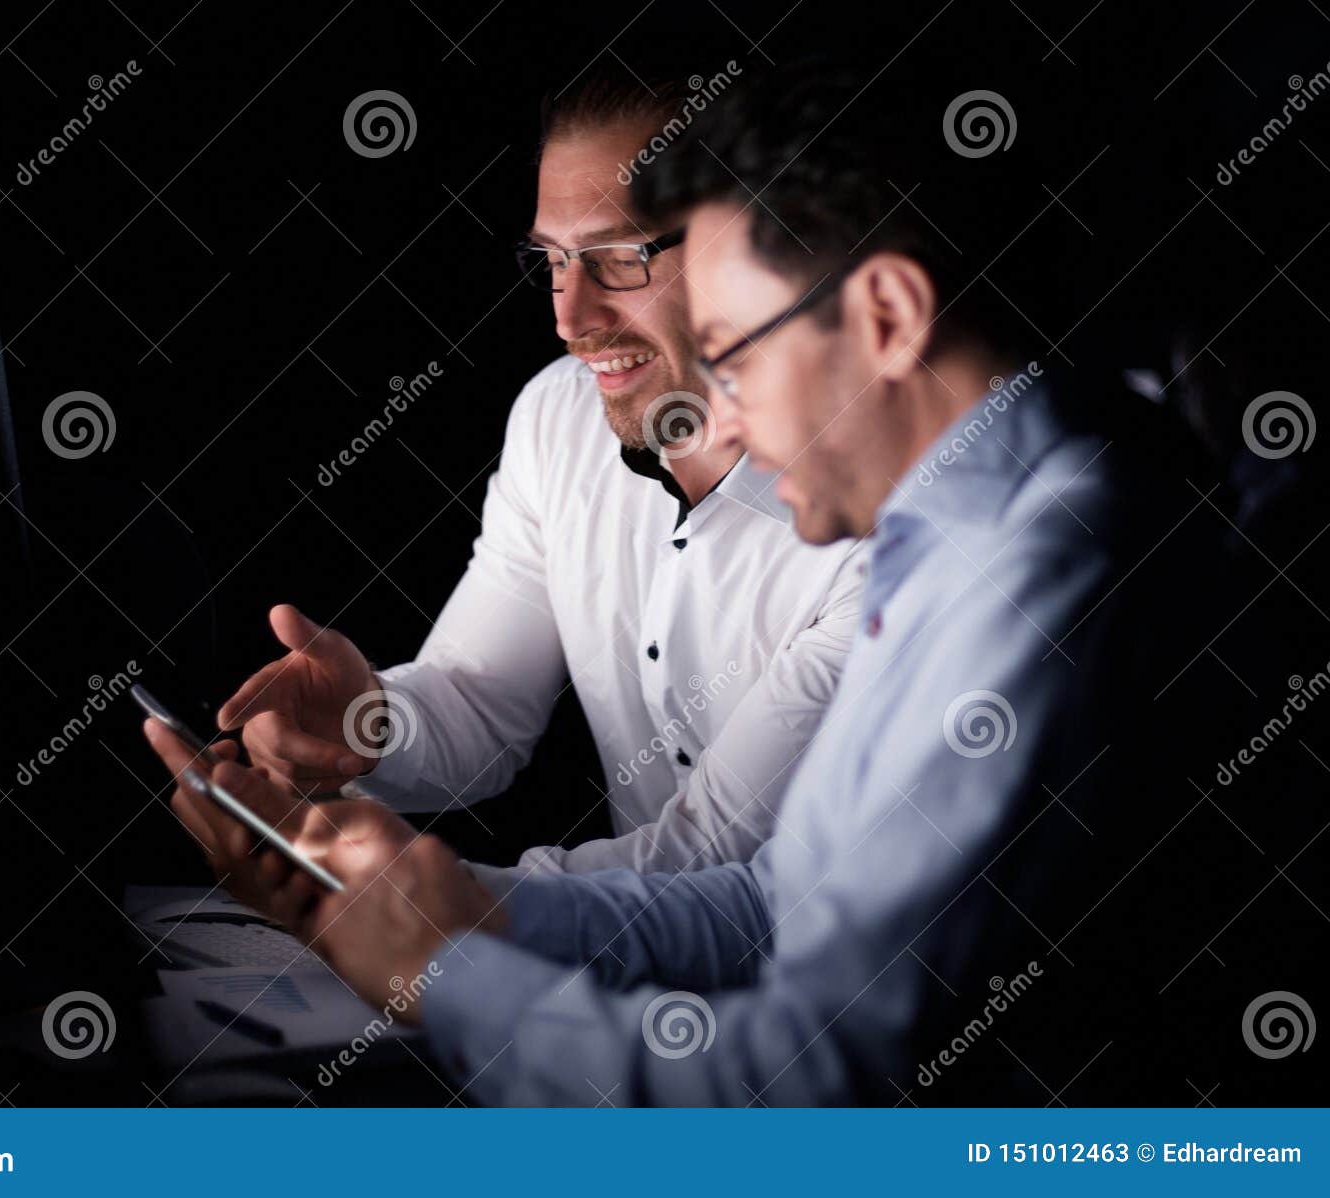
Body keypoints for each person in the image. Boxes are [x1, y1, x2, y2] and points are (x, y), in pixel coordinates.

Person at [144, 61, 1228, 1104]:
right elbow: (774, 905)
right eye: (551, 263)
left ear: (888, 318)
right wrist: (436, 896)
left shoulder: (1026, 579)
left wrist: (444, 958)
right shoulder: (951, 525)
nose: (725, 423)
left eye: (735, 354)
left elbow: (808, 1091)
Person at [215, 60, 862, 878]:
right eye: (552, 259)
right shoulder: (558, 415)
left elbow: (719, 869)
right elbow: (480, 704)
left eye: (619, 257)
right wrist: (366, 721)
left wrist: (400, 903)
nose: (569, 318)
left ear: (759, 241)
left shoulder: (874, 497)